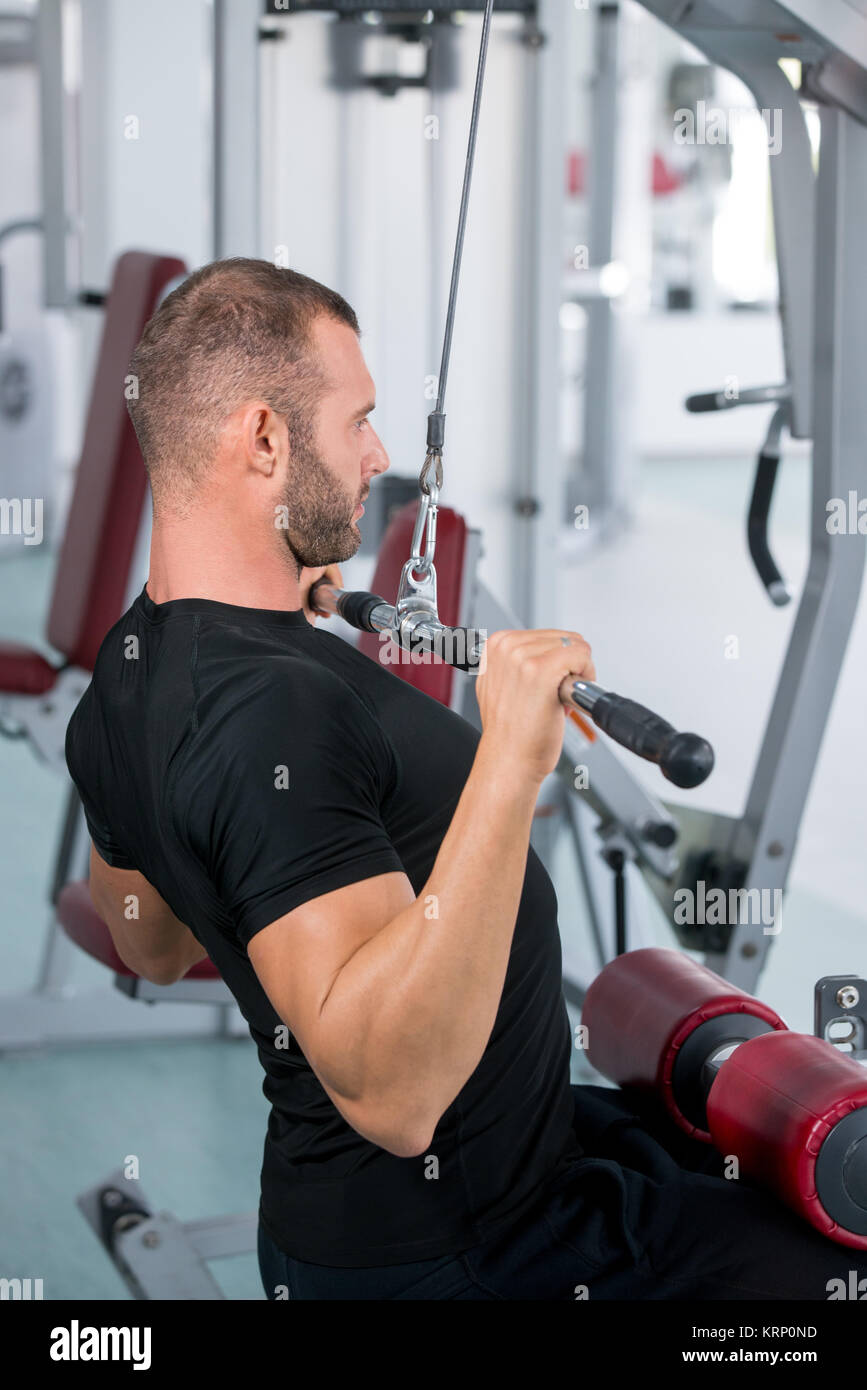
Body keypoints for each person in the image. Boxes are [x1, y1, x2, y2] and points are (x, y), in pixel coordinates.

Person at [65, 258, 867, 1301]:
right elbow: (395, 1101)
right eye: (357, 420)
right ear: (263, 439)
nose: (380, 453)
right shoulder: (276, 708)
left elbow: (151, 945)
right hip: (483, 1257)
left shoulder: (127, 677)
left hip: (381, 1221)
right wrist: (511, 758)